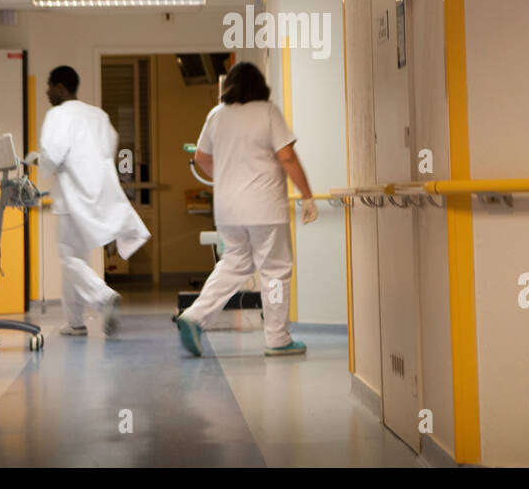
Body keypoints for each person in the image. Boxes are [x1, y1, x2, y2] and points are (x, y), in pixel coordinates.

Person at [176, 61, 318, 358]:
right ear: (259, 86)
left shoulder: (216, 115)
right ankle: (278, 338)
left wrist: (228, 178)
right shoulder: (267, 112)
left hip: (228, 209)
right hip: (264, 208)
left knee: (233, 263)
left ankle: (194, 316)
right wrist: (307, 196)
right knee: (275, 270)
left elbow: (201, 157)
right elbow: (287, 156)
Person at [26, 65, 149, 337]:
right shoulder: (99, 116)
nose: (47, 92)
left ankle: (102, 296)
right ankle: (75, 323)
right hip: (97, 196)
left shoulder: (58, 114)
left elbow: (53, 156)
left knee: (69, 257)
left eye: (49, 86)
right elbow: (106, 150)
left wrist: (37, 160)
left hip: (71, 199)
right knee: (76, 259)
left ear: (60, 87)